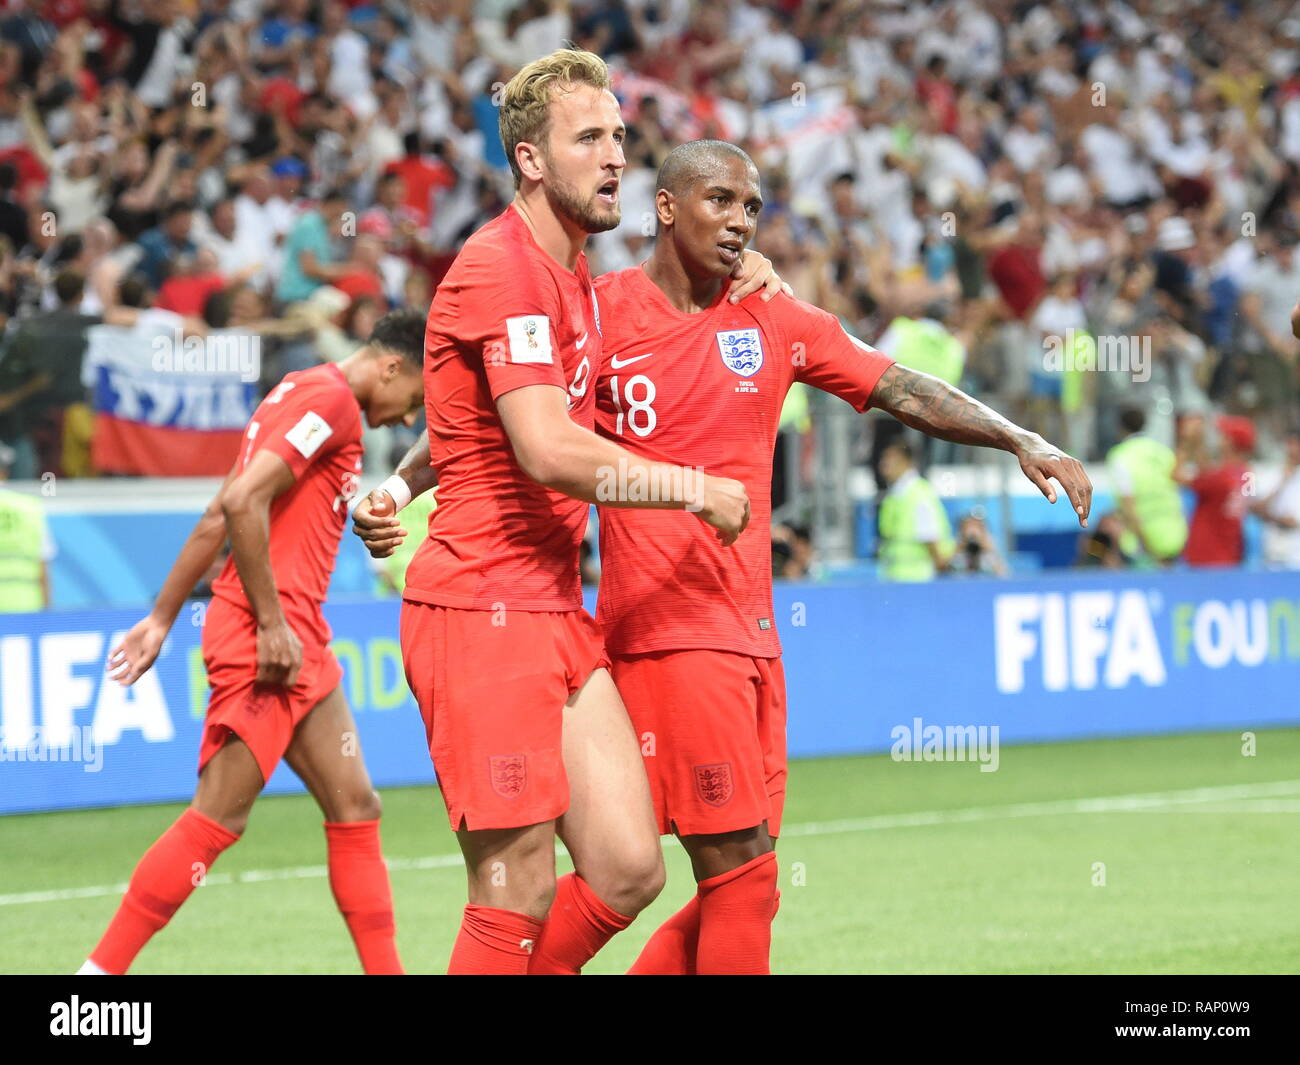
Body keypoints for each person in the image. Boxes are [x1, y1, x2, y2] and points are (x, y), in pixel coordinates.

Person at [356, 138, 1092, 975]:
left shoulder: (774, 317)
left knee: (705, 878)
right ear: (666, 207)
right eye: (721, 202)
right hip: (669, 631)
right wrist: (401, 486)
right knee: (740, 870)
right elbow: (507, 406)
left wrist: (1016, 435)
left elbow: (898, 385)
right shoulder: (601, 312)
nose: (740, 221)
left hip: (750, 633)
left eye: (752, 208)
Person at [347, 50, 782, 976]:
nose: (616, 156)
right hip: (477, 610)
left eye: (620, 136)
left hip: (552, 610)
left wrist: (395, 487)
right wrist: (691, 486)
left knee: (627, 867)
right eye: (590, 138)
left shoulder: (575, 275)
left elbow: (482, 425)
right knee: (515, 884)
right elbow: (544, 446)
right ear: (532, 160)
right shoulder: (502, 269)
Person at [77, 310, 427, 976]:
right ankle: (92, 981)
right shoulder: (334, 404)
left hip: (300, 642)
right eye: (412, 402)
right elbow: (243, 503)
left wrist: (161, 616)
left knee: (357, 805)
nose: (407, 421)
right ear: (389, 367)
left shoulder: (300, 388)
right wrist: (269, 623)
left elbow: (222, 508)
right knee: (217, 818)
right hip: (269, 638)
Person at [1105, 406, 1188, 565]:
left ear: (1120, 428)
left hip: (1141, 543)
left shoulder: (1120, 456)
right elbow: (1177, 489)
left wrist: (1146, 545)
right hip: (1174, 535)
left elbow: (1128, 503)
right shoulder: (1163, 452)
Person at [1177, 414, 1254, 568]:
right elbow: (1206, 472)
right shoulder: (1247, 474)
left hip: (1206, 558)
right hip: (1229, 555)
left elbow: (1176, 475)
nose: (1218, 440)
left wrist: (1186, 442)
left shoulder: (1221, 478)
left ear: (1230, 443)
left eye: (1223, 436)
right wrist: (1197, 443)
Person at [877, 439, 955, 581]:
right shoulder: (895, 494)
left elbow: (930, 537)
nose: (883, 463)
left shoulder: (919, 493)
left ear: (906, 461)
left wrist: (940, 565)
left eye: (889, 458)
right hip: (895, 577)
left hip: (918, 580)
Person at [0, 440, 53, 610]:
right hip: (27, 608)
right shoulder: (31, 507)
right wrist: (46, 616)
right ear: (5, 471)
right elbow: (43, 566)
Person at [1251, 427, 1300, 569]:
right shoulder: (1271, 474)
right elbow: (1255, 509)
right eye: (1291, 444)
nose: (1294, 450)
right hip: (1275, 554)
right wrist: (1282, 482)